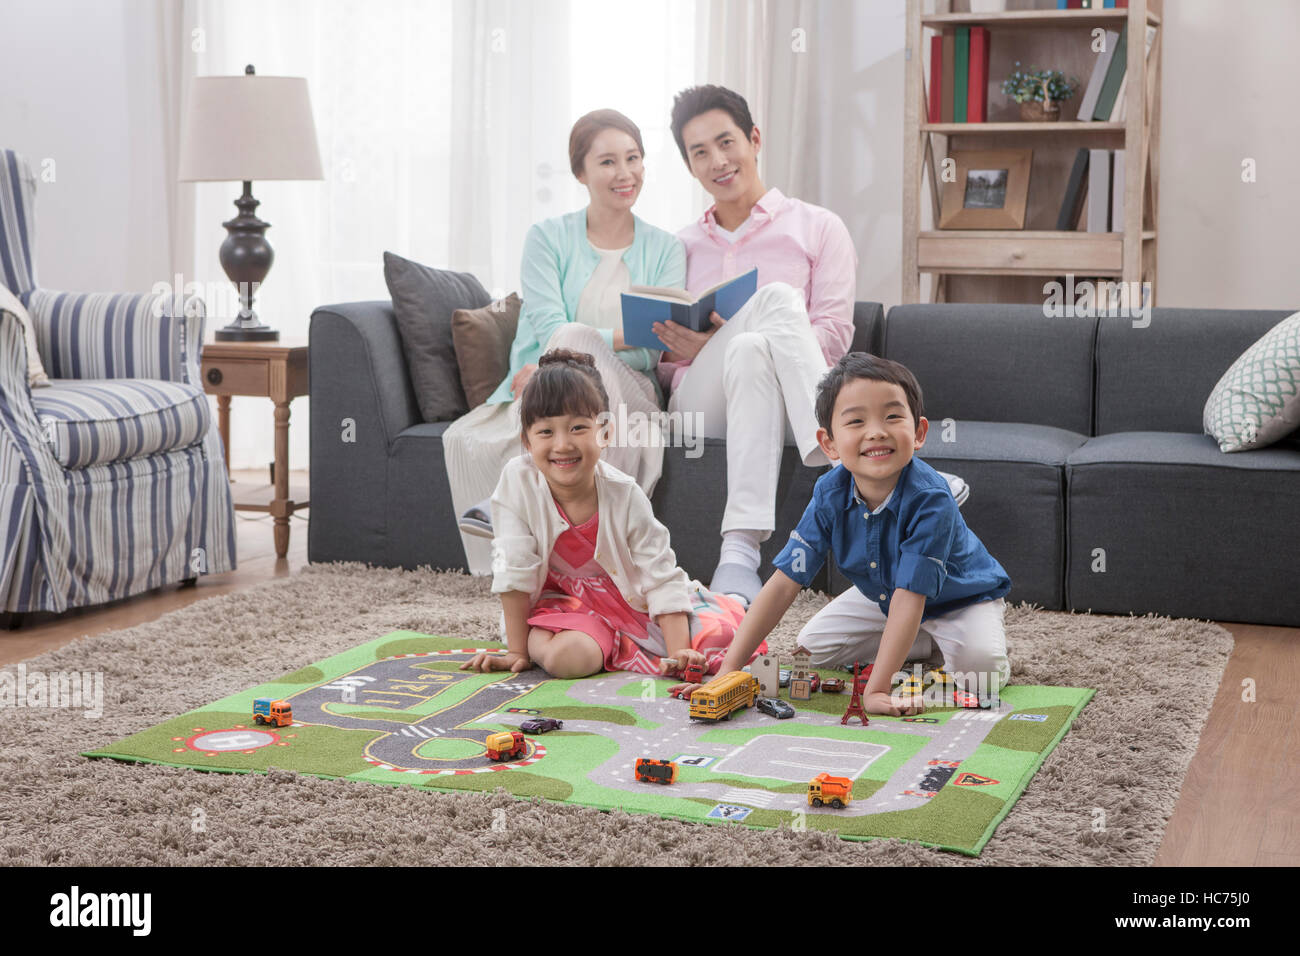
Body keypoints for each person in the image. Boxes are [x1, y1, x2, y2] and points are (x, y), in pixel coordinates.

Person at [670, 353, 1011, 716]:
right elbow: (784, 583)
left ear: (920, 432)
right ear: (829, 443)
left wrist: (877, 690)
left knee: (981, 675)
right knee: (812, 650)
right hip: (885, 592)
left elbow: (912, 597)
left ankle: (943, 635)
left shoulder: (932, 500)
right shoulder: (829, 493)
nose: (876, 431)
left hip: (960, 597)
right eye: (856, 421)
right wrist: (726, 671)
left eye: (892, 416)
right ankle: (921, 640)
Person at [444, 109, 686, 575]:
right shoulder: (547, 239)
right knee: (568, 334)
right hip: (554, 389)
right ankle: (579, 546)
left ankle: (509, 505)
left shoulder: (666, 248)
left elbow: (649, 350)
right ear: (580, 172)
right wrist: (608, 339)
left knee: (572, 335)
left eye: (634, 158)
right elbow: (548, 321)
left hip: (629, 391)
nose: (625, 173)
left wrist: (563, 357)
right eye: (608, 162)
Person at [460, 349, 765, 680]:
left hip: (632, 603)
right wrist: (517, 652)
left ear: (604, 432)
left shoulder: (624, 494)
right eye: (546, 432)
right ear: (527, 441)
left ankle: (721, 604)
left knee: (719, 639)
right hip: (565, 605)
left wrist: (679, 654)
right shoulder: (516, 481)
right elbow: (514, 567)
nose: (562, 444)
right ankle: (580, 641)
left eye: (578, 428)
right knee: (566, 660)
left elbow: (659, 576)